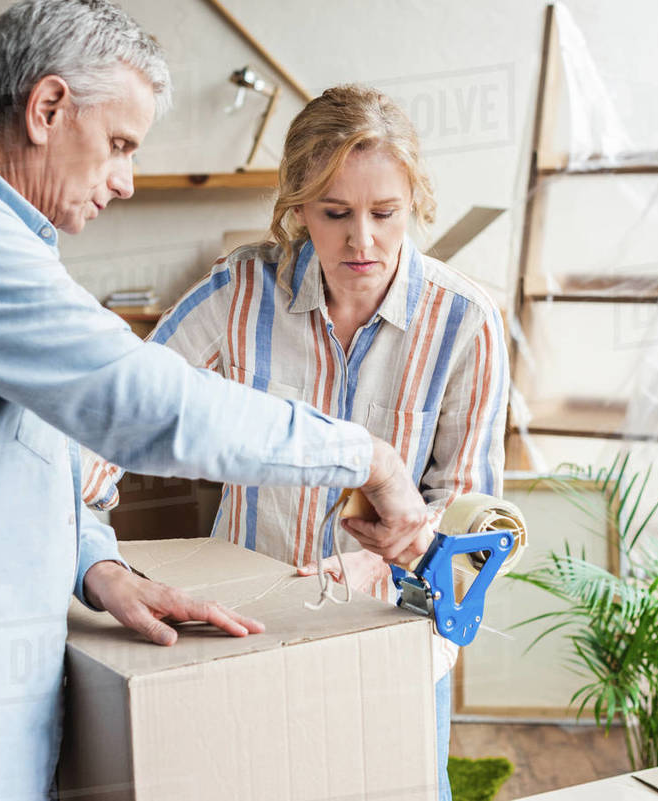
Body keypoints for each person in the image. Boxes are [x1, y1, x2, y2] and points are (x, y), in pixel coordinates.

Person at [0, 4, 432, 801]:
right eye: (120, 145)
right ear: (48, 108)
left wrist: (99, 566)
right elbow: (146, 403)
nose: (125, 179)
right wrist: (365, 455)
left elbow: (33, 451)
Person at [83, 85, 510, 801]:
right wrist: (90, 547)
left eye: (385, 213)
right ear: (297, 208)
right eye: (334, 213)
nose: (361, 242)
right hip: (246, 634)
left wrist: (419, 542)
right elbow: (126, 407)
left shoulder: (465, 323)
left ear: (415, 203)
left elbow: (473, 518)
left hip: (393, 642)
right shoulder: (240, 291)